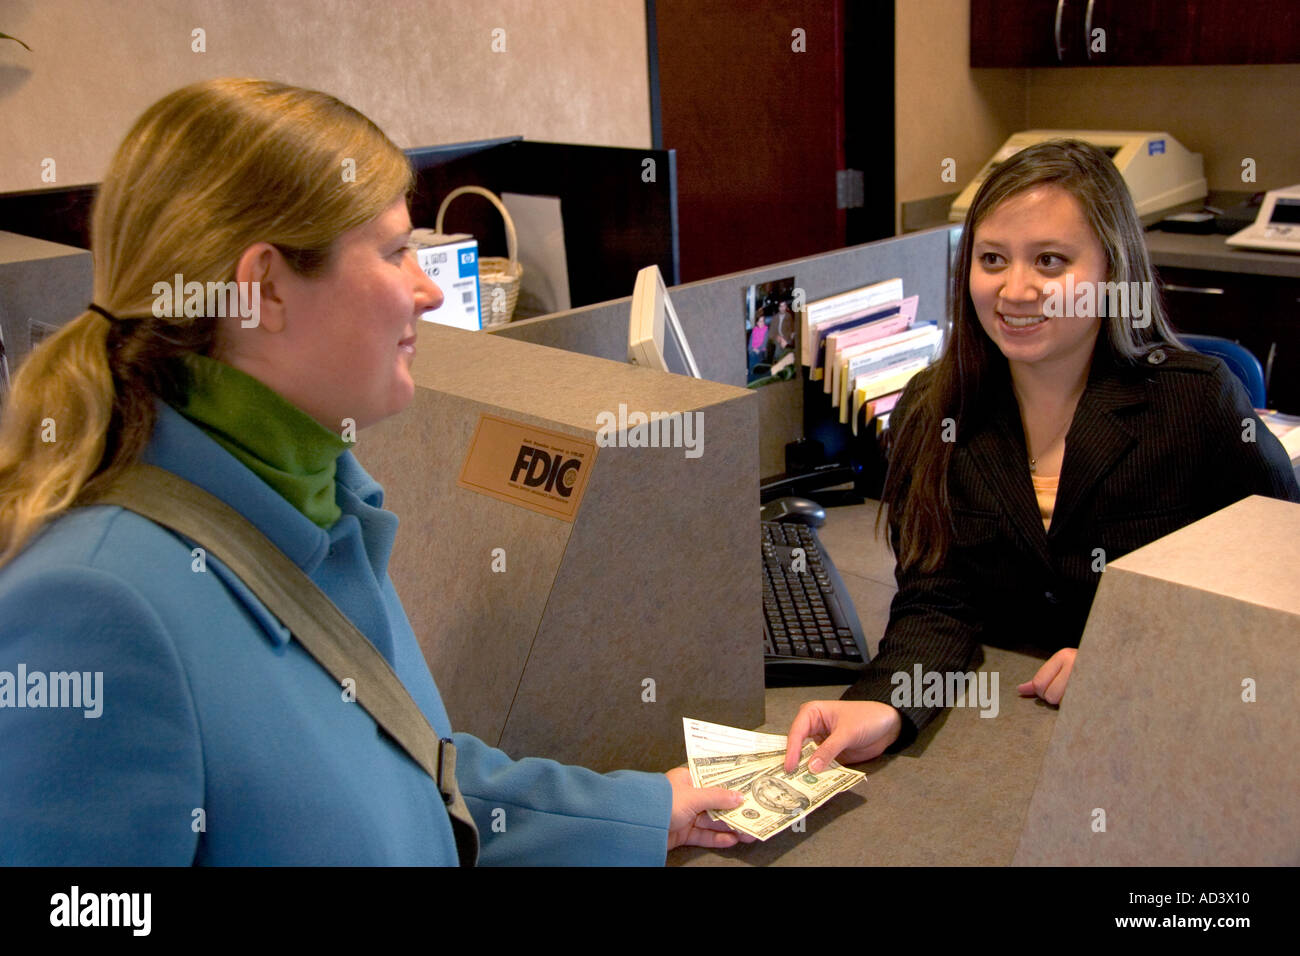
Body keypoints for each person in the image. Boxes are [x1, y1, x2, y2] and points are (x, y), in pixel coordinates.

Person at [0, 78, 748, 865]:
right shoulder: (93, 605)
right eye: (395, 252)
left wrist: (641, 810)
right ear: (264, 290)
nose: (428, 290)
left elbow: (417, 774)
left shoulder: (320, 503)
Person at [784, 139, 1300, 773]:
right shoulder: (935, 406)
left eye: (1050, 261)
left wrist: (1136, 657)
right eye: (992, 258)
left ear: (1112, 271)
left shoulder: (1196, 404)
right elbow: (939, 598)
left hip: (1164, 743)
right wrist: (888, 701)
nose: (1015, 290)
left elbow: (1280, 586)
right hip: (1003, 744)